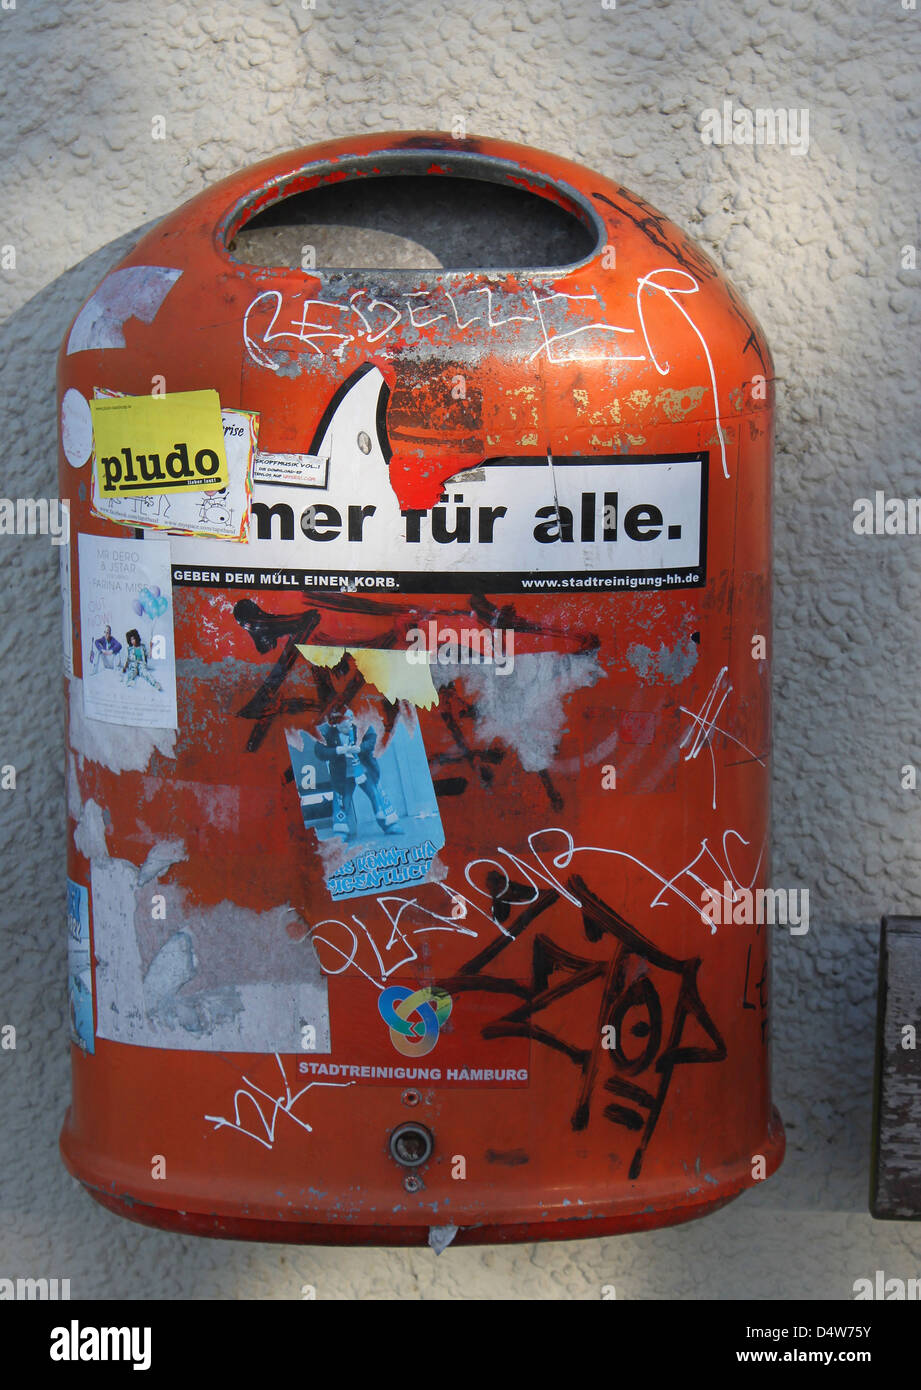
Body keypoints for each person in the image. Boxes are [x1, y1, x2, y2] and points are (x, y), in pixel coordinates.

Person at [313, 708, 400, 841]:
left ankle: (390, 825)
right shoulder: (327, 732)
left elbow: (372, 739)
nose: (349, 726)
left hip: (364, 769)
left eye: (349, 722)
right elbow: (319, 751)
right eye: (344, 725)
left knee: (377, 795)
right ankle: (341, 830)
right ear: (335, 724)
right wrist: (339, 750)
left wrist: (360, 748)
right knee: (341, 800)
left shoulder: (362, 725)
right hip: (343, 775)